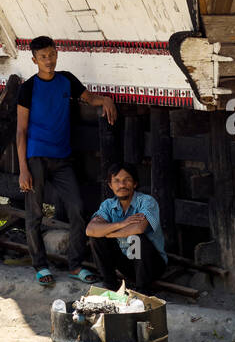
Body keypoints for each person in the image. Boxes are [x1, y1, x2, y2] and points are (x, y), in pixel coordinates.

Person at [16, 35, 117, 288]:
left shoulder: (67, 80)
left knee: (78, 208)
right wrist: (23, 169)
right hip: (36, 155)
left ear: (57, 53)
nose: (48, 60)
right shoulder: (28, 88)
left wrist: (105, 100)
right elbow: (21, 130)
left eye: (51, 54)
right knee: (34, 213)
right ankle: (40, 265)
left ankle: (75, 265)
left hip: (62, 157)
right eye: (43, 57)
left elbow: (90, 98)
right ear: (34, 60)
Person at [86, 162, 167, 293]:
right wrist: (121, 224)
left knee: (135, 237)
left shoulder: (146, 201)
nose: (122, 185)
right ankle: (110, 285)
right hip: (128, 265)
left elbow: (138, 228)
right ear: (110, 185)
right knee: (96, 238)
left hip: (152, 265)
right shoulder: (108, 205)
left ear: (135, 183)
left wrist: (110, 233)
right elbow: (90, 230)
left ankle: (142, 290)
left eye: (127, 180)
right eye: (116, 181)